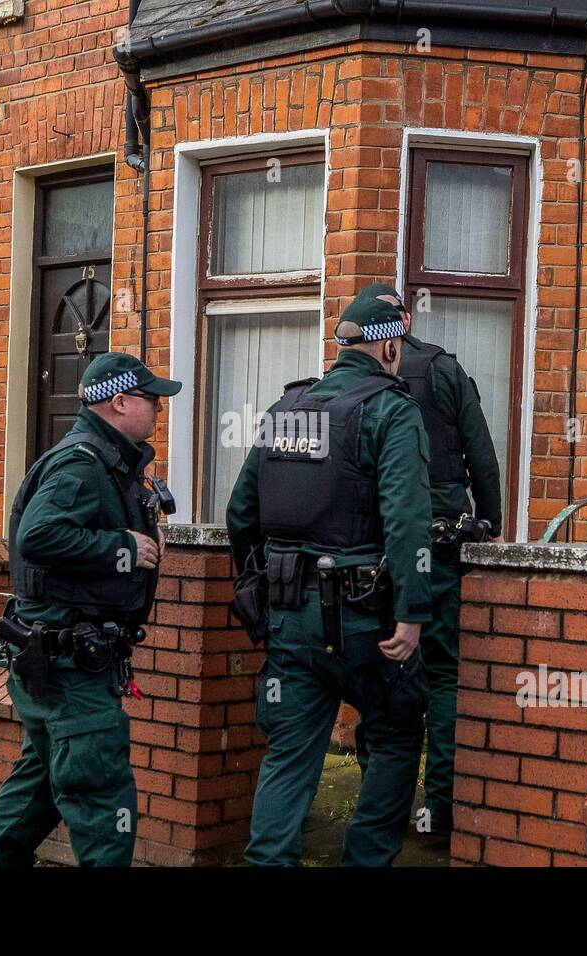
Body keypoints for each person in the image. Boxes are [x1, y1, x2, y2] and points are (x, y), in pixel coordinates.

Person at [226, 286, 433, 866]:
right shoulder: (392, 410)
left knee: (290, 753)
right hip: (366, 620)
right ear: (389, 347)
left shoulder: (286, 408)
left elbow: (240, 514)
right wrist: (412, 613)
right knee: (394, 736)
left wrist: (256, 587)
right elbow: (407, 519)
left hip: (290, 614)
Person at [0, 352, 181, 867]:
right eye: (151, 399)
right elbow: (39, 535)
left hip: (58, 665)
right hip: (70, 672)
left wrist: (137, 542)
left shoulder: (105, 460)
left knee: (33, 799)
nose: (158, 409)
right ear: (119, 401)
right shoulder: (81, 463)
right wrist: (122, 548)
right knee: (104, 806)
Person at [348, 284, 504, 841]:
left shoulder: (347, 377)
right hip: (439, 546)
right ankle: (438, 811)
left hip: (370, 550)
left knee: (373, 672)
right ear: (406, 320)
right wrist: (491, 526)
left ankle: (378, 800)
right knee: (443, 676)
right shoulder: (443, 370)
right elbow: (481, 456)